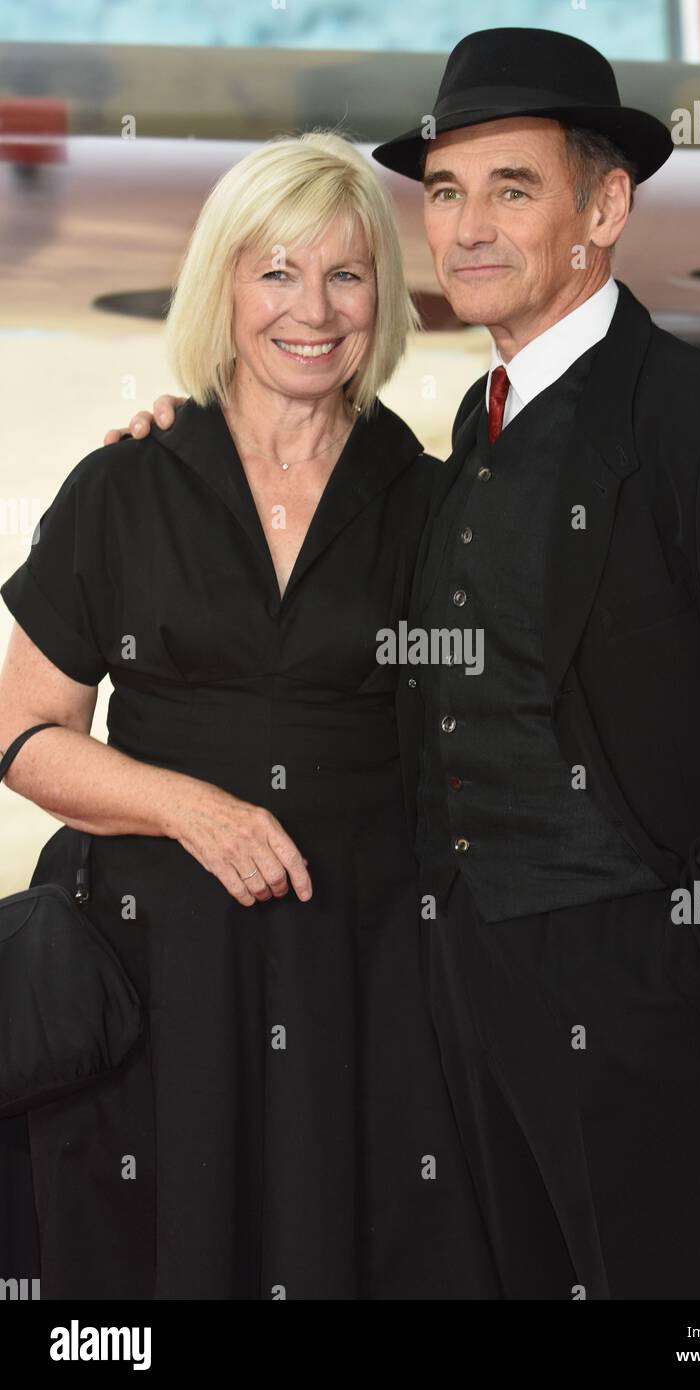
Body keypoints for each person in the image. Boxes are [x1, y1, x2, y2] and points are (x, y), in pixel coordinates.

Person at [101, 28, 700, 1301]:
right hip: (463, 1002)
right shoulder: (470, 429)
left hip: (651, 1013)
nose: (466, 226)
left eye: (513, 188)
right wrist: (186, 432)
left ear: (605, 208)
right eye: (446, 192)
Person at [0, 131, 498, 1299]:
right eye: (275, 270)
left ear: (385, 292)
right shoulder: (122, 485)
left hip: (365, 979)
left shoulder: (438, 506)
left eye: (345, 273)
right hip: (150, 978)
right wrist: (191, 811)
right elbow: (23, 733)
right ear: (222, 286)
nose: (311, 308)